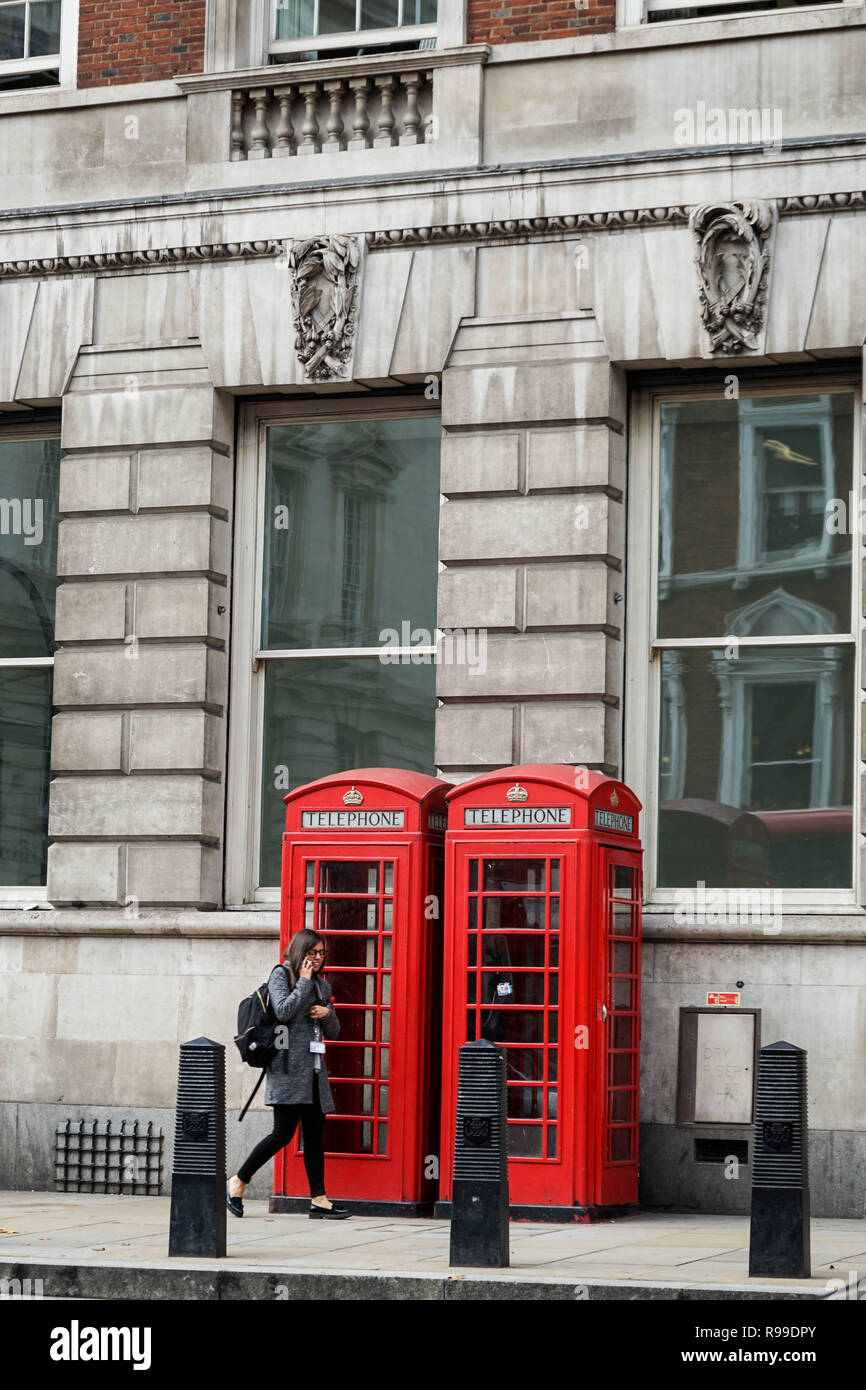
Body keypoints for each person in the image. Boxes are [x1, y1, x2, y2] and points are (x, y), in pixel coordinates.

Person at [227, 928, 350, 1220]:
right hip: (286, 1069)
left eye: (322, 954)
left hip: (314, 1072)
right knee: (281, 1134)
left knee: (314, 1136)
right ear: (299, 952)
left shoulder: (323, 986)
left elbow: (334, 1031)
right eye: (313, 953)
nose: (318, 958)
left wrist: (327, 1014)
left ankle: (319, 1199)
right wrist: (305, 982)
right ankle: (238, 1181)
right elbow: (283, 1011)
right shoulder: (281, 975)